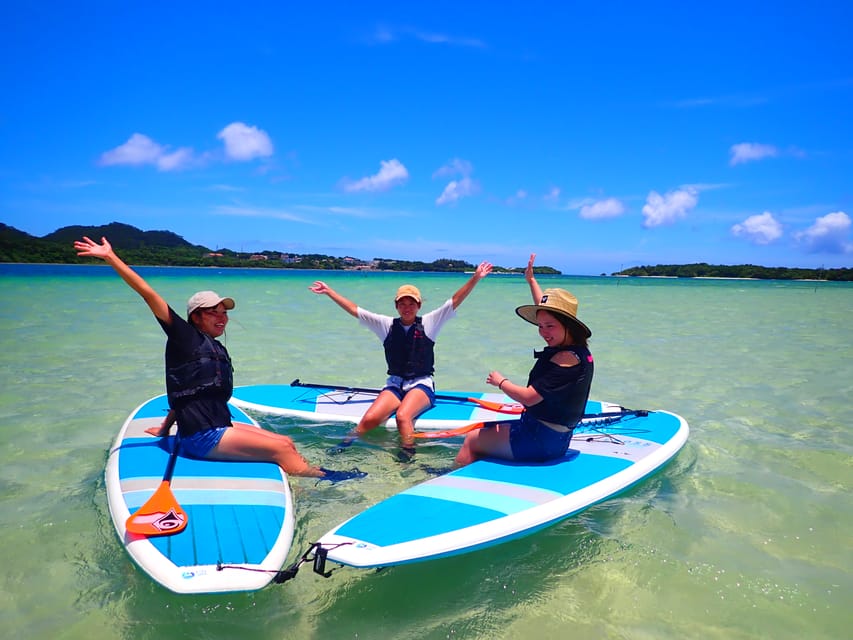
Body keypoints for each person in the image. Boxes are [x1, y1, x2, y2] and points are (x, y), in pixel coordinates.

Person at [73, 235, 365, 484]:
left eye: (224, 313)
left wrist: (164, 429)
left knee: (285, 441)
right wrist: (111, 257)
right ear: (196, 316)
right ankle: (324, 480)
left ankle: (302, 477)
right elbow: (148, 294)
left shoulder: (213, 348)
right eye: (214, 312)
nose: (222, 318)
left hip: (217, 426)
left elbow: (185, 393)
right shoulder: (184, 337)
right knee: (282, 451)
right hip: (202, 437)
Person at [309, 261, 493, 457]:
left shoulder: (430, 322)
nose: (407, 308)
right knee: (369, 419)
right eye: (402, 304)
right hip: (395, 385)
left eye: (411, 303)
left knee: (403, 416)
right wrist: (330, 292)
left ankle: (408, 456)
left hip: (421, 385)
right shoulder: (385, 325)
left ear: (418, 305)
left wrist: (475, 278)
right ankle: (343, 446)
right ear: (396, 306)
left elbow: (455, 300)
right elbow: (355, 310)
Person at [454, 253, 594, 467]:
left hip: (540, 440)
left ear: (568, 326)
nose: (543, 332)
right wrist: (531, 280)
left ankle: (449, 480)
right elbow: (546, 310)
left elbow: (529, 398)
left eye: (550, 327)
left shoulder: (565, 358)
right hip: (556, 438)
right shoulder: (578, 351)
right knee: (488, 432)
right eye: (540, 326)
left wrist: (501, 382)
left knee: (472, 440)